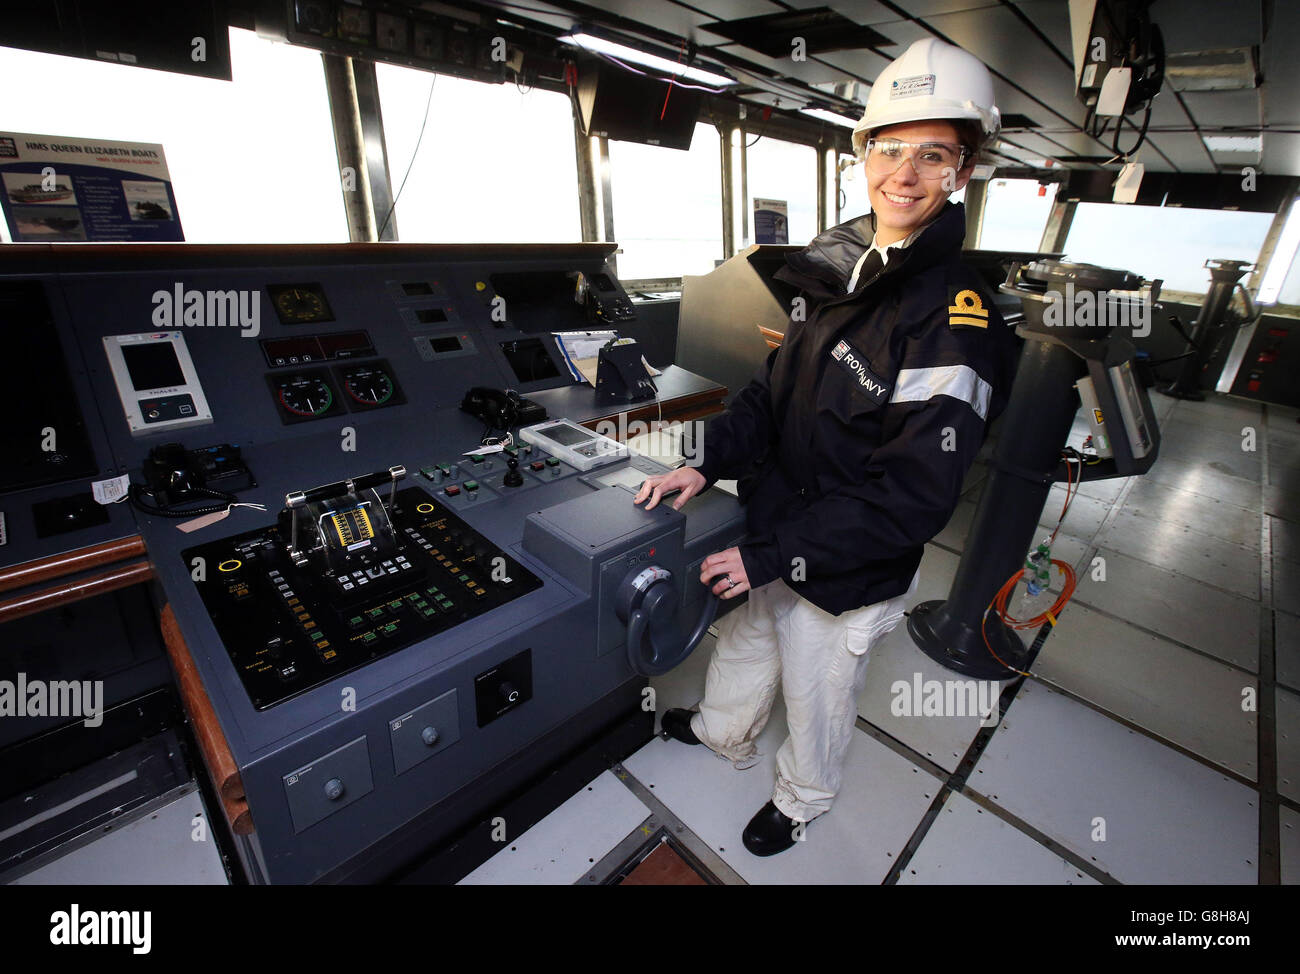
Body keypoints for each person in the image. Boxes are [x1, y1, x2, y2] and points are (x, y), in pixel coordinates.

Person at [632, 38, 1020, 857]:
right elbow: (771, 396)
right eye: (888, 148)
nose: (904, 174)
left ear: (965, 169)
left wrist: (779, 557)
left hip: (848, 560)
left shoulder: (954, 316)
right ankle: (721, 733)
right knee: (746, 640)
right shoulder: (836, 267)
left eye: (932, 154)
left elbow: (913, 496)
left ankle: (805, 797)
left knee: (816, 689)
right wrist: (705, 458)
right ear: (863, 154)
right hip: (780, 525)